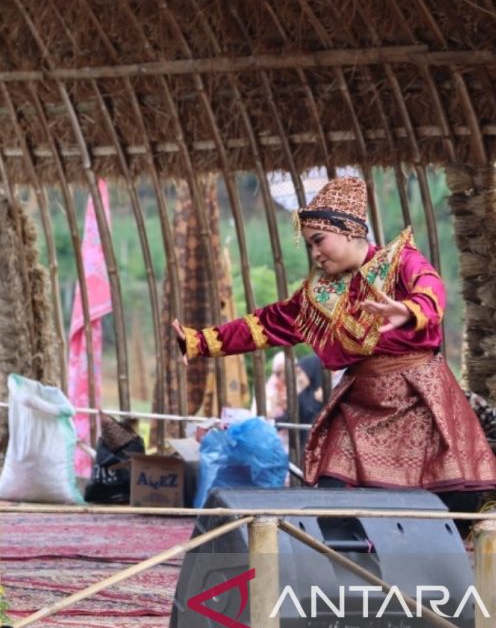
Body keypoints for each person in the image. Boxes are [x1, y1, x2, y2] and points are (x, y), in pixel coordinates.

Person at [172, 176, 496, 502]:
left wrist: (411, 310)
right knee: (335, 496)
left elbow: (430, 287)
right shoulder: (319, 295)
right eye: (310, 245)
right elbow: (266, 324)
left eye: (319, 240)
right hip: (360, 403)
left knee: (449, 497)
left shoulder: (400, 261)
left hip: (417, 397)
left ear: (350, 231)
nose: (315, 253)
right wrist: (200, 341)